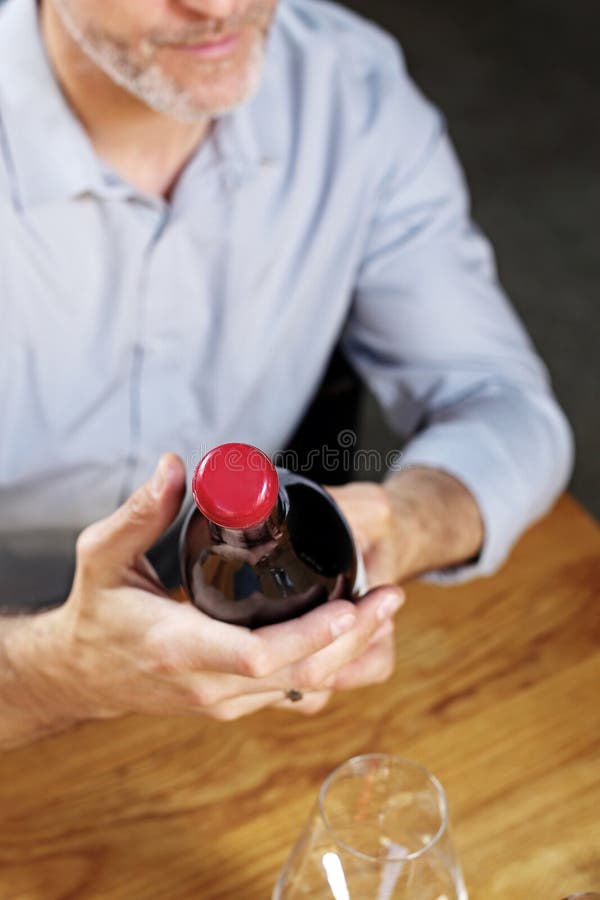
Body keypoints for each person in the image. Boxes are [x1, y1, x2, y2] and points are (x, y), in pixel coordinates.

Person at [0, 0, 573, 750]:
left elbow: (506, 406)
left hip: (248, 683)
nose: (220, 7)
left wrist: (401, 525)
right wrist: (53, 673)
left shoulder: (349, 91)